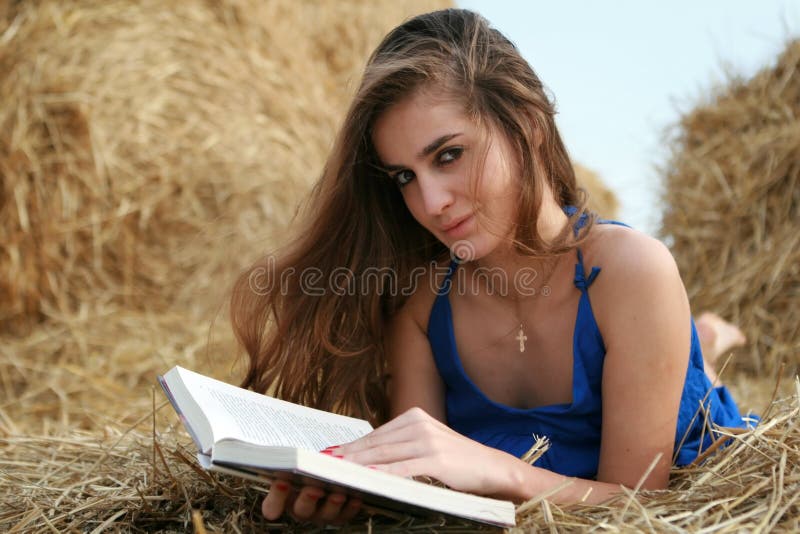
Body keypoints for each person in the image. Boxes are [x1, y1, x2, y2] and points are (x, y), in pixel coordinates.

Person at [229, 9, 754, 524]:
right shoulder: (422, 310)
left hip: (674, 386)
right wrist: (350, 498)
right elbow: (425, 498)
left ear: (526, 125)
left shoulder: (632, 271)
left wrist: (500, 470)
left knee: (691, 374)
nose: (431, 202)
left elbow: (641, 505)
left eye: (449, 155)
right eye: (404, 178)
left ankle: (701, 345)